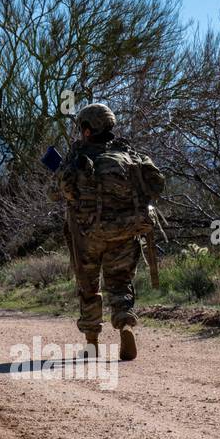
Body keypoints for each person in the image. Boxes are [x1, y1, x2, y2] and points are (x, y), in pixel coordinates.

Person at [51, 103, 165, 361]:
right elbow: (157, 184)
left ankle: (92, 342)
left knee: (88, 285)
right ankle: (124, 324)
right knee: (120, 283)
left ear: (88, 130)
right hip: (125, 231)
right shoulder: (131, 155)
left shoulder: (78, 158)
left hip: (88, 233)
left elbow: (57, 192)